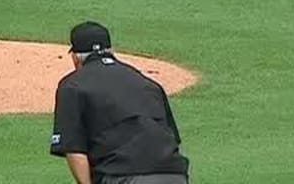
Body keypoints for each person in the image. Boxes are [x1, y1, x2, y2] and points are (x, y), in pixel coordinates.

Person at [51, 22, 190, 184]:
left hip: (124, 176)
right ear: (111, 50)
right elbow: (172, 138)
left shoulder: (72, 85)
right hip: (174, 175)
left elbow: (74, 150)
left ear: (75, 57)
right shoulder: (148, 84)